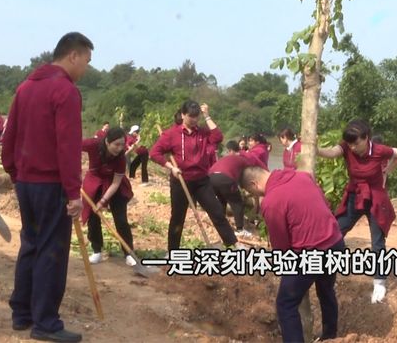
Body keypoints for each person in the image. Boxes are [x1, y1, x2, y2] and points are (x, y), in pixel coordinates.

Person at [2, 32, 93, 343]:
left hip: (26, 182)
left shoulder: (25, 87)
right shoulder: (65, 91)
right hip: (50, 183)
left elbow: (9, 134)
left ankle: (22, 313)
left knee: (31, 244)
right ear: (74, 56)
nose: (86, 69)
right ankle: (45, 322)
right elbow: (67, 146)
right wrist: (73, 192)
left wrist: (14, 172)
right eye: (87, 61)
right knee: (51, 252)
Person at [239, 165, 345, 343]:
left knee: (285, 304)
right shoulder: (303, 176)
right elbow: (325, 206)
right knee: (326, 290)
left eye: (251, 192)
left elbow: (281, 246)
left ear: (253, 184)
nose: (255, 196)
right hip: (335, 243)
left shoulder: (271, 201)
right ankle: (330, 336)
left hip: (311, 254)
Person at [317, 120, 397, 304]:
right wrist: (315, 149)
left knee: (377, 243)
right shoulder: (347, 148)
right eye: (349, 143)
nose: (353, 147)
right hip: (355, 194)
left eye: (356, 143)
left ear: (366, 138)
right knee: (335, 232)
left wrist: (387, 170)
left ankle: (379, 282)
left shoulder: (379, 150)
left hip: (375, 197)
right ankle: (335, 268)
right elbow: (332, 152)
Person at [149, 100, 238, 250]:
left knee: (217, 212)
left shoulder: (202, 132)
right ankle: (173, 252)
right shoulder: (171, 134)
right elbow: (154, 153)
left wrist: (207, 116)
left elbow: (218, 137)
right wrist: (171, 167)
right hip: (181, 180)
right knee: (178, 218)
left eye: (197, 116)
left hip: (202, 181)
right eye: (191, 116)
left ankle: (234, 245)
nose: (195, 120)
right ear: (183, 115)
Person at [81, 127, 137, 266]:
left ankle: (128, 253)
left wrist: (103, 201)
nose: (119, 148)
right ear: (107, 141)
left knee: (121, 219)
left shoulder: (121, 158)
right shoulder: (93, 144)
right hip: (95, 180)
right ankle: (96, 250)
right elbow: (72, 145)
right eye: (116, 144)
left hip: (114, 185)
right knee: (93, 218)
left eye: (122, 144)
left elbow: (116, 183)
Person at [208, 141, 266, 238]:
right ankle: (240, 230)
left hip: (211, 178)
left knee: (222, 201)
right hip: (225, 179)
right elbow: (252, 169)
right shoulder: (242, 160)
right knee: (237, 203)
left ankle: (220, 226)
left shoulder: (226, 158)